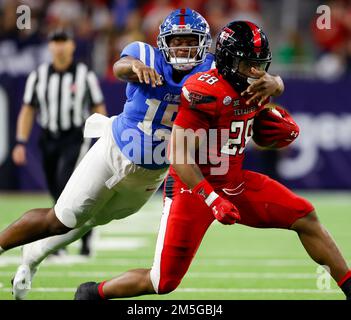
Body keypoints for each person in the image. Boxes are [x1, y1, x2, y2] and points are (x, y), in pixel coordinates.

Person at [0, 9, 284, 300]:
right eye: (176, 42)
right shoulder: (146, 57)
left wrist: (276, 82)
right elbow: (121, 65)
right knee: (61, 218)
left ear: (203, 44)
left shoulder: (214, 71)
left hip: (151, 174)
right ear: (163, 43)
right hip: (114, 153)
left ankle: (31, 258)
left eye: (189, 41)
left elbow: (256, 76)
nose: (183, 48)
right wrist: (134, 66)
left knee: (89, 222)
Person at [73, 21, 351, 300]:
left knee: (305, 216)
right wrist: (211, 199)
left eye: (260, 64)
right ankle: (93, 293)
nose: (256, 72)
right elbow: (178, 155)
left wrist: (277, 83)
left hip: (235, 182)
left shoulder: (258, 82)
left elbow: (269, 87)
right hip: (193, 188)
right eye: (248, 64)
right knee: (163, 282)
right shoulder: (204, 90)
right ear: (229, 60)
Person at [12, 29, 107, 257]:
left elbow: (98, 106)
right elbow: (27, 109)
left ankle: (65, 240)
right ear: (50, 46)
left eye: (64, 41)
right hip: (49, 138)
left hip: (76, 137)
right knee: (56, 190)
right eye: (55, 42)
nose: (60, 46)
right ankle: (76, 235)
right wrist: (20, 141)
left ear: (72, 46)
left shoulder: (85, 74)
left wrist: (103, 137)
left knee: (67, 185)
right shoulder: (39, 75)